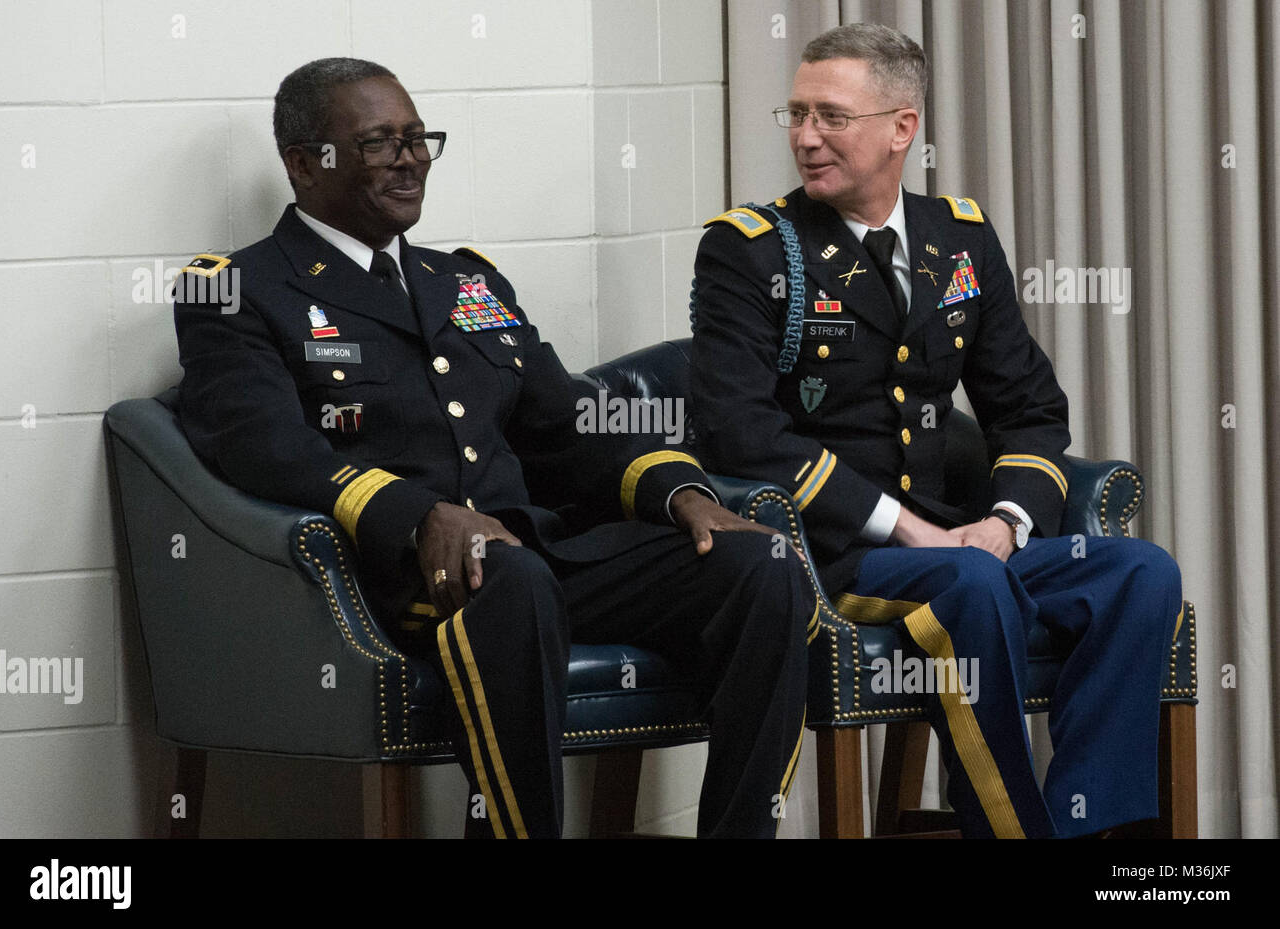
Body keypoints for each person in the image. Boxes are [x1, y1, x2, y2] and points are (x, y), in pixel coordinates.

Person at [173, 57, 813, 839]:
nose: (410, 158)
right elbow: (264, 449)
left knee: (763, 565)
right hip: (388, 578)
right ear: (305, 165)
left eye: (419, 139)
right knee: (506, 578)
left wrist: (683, 492)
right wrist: (418, 515)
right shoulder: (235, 290)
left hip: (532, 559)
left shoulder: (464, 282)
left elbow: (570, 419)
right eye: (381, 143)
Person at [689, 24, 1181, 838]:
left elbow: (1027, 406)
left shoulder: (957, 237)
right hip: (831, 552)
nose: (806, 138)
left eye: (832, 116)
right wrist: (910, 527)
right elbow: (739, 432)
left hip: (959, 544)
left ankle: (1094, 827)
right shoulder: (748, 251)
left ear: (902, 127)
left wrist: (1006, 520)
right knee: (974, 585)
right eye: (797, 114)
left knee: (1139, 573)